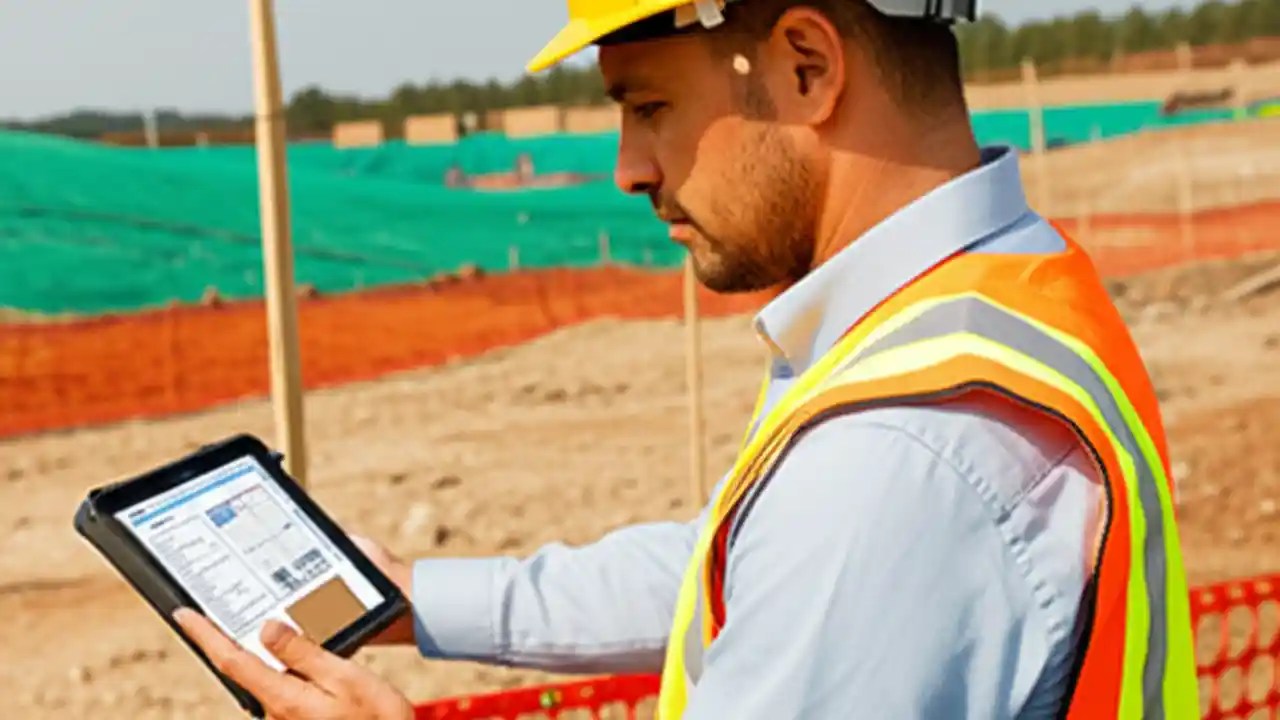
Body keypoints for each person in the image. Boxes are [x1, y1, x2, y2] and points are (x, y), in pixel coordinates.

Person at [175, 1, 1202, 717]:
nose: (627, 169)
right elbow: (755, 570)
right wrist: (413, 595)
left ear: (806, 66)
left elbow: (832, 546)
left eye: (648, 106)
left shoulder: (896, 461)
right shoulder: (1001, 295)